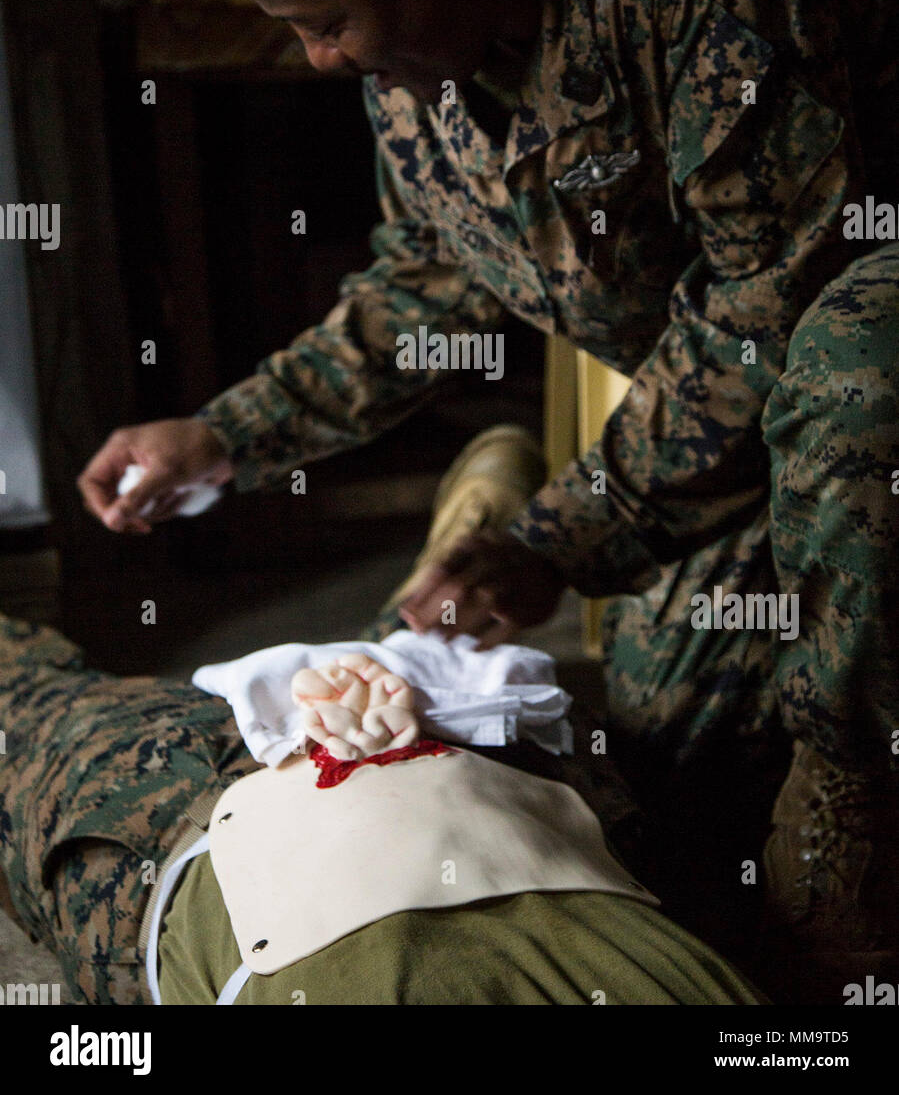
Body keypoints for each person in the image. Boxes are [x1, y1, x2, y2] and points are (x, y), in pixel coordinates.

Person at [77, 0, 899, 996]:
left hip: (844, 320)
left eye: (323, 23)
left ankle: (859, 803)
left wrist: (555, 536)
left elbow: (766, 306)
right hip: (741, 390)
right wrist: (225, 434)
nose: (317, 61)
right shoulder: (418, 59)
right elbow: (433, 281)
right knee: (663, 741)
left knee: (853, 371)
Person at [0, 429, 765, 1006]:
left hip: (179, 821)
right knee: (359, 694)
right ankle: (430, 627)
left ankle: (428, 624)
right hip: (485, 787)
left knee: (30, 708)